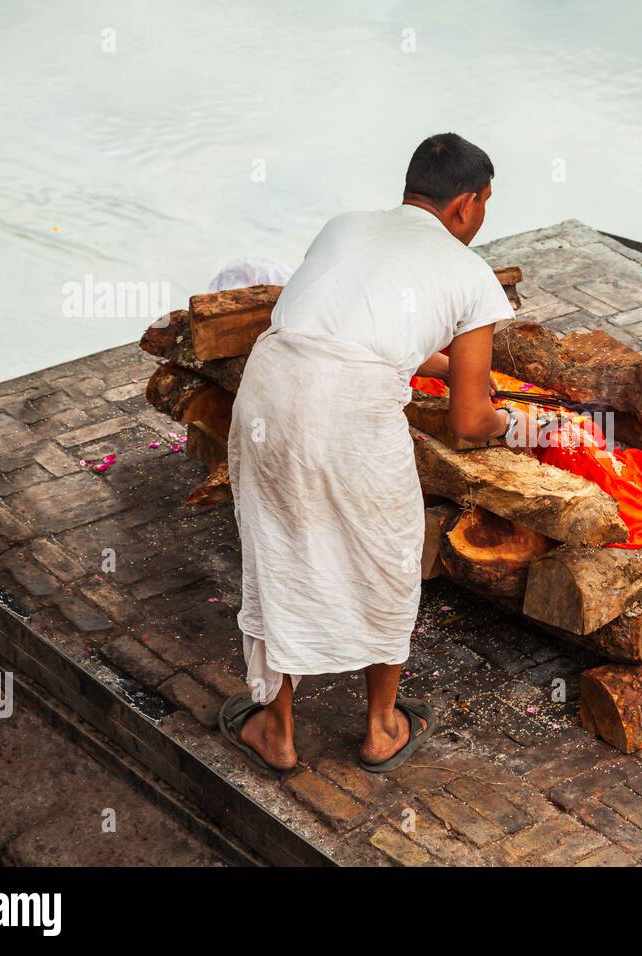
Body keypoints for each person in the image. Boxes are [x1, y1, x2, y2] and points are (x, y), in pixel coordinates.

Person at [219, 133, 526, 773]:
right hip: (349, 410)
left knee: (275, 546)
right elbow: (469, 422)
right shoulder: (469, 274)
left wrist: (445, 365)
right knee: (387, 552)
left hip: (269, 390)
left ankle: (276, 733)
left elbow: (355, 323)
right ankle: (382, 727)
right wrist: (511, 422)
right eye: (488, 203)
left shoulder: (344, 226)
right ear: (469, 204)